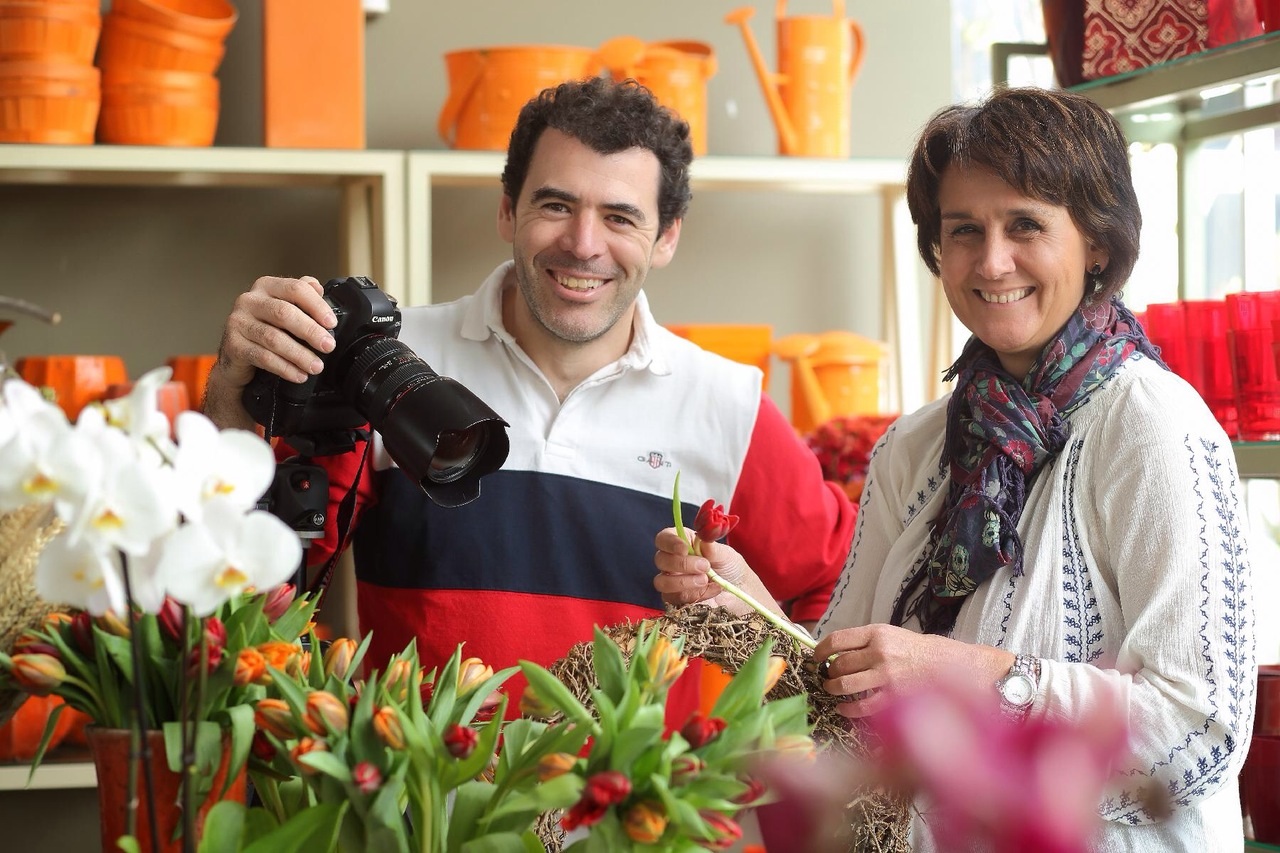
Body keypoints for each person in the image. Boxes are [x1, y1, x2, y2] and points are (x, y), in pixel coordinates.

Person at [654, 86, 1255, 849]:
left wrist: (968, 674)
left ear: (1098, 245)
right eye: (964, 229)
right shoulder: (914, 447)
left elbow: (1200, 734)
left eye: (1025, 224)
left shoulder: (1151, 428)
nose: (992, 260)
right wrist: (747, 608)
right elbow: (839, 701)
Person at [202, 76, 857, 718]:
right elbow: (248, 578)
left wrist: (762, 647)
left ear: (666, 238)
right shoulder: (391, 363)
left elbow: (845, 592)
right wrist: (232, 399)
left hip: (640, 792)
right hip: (422, 790)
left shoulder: (727, 406)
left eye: (620, 217)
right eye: (555, 205)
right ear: (507, 210)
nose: (583, 244)